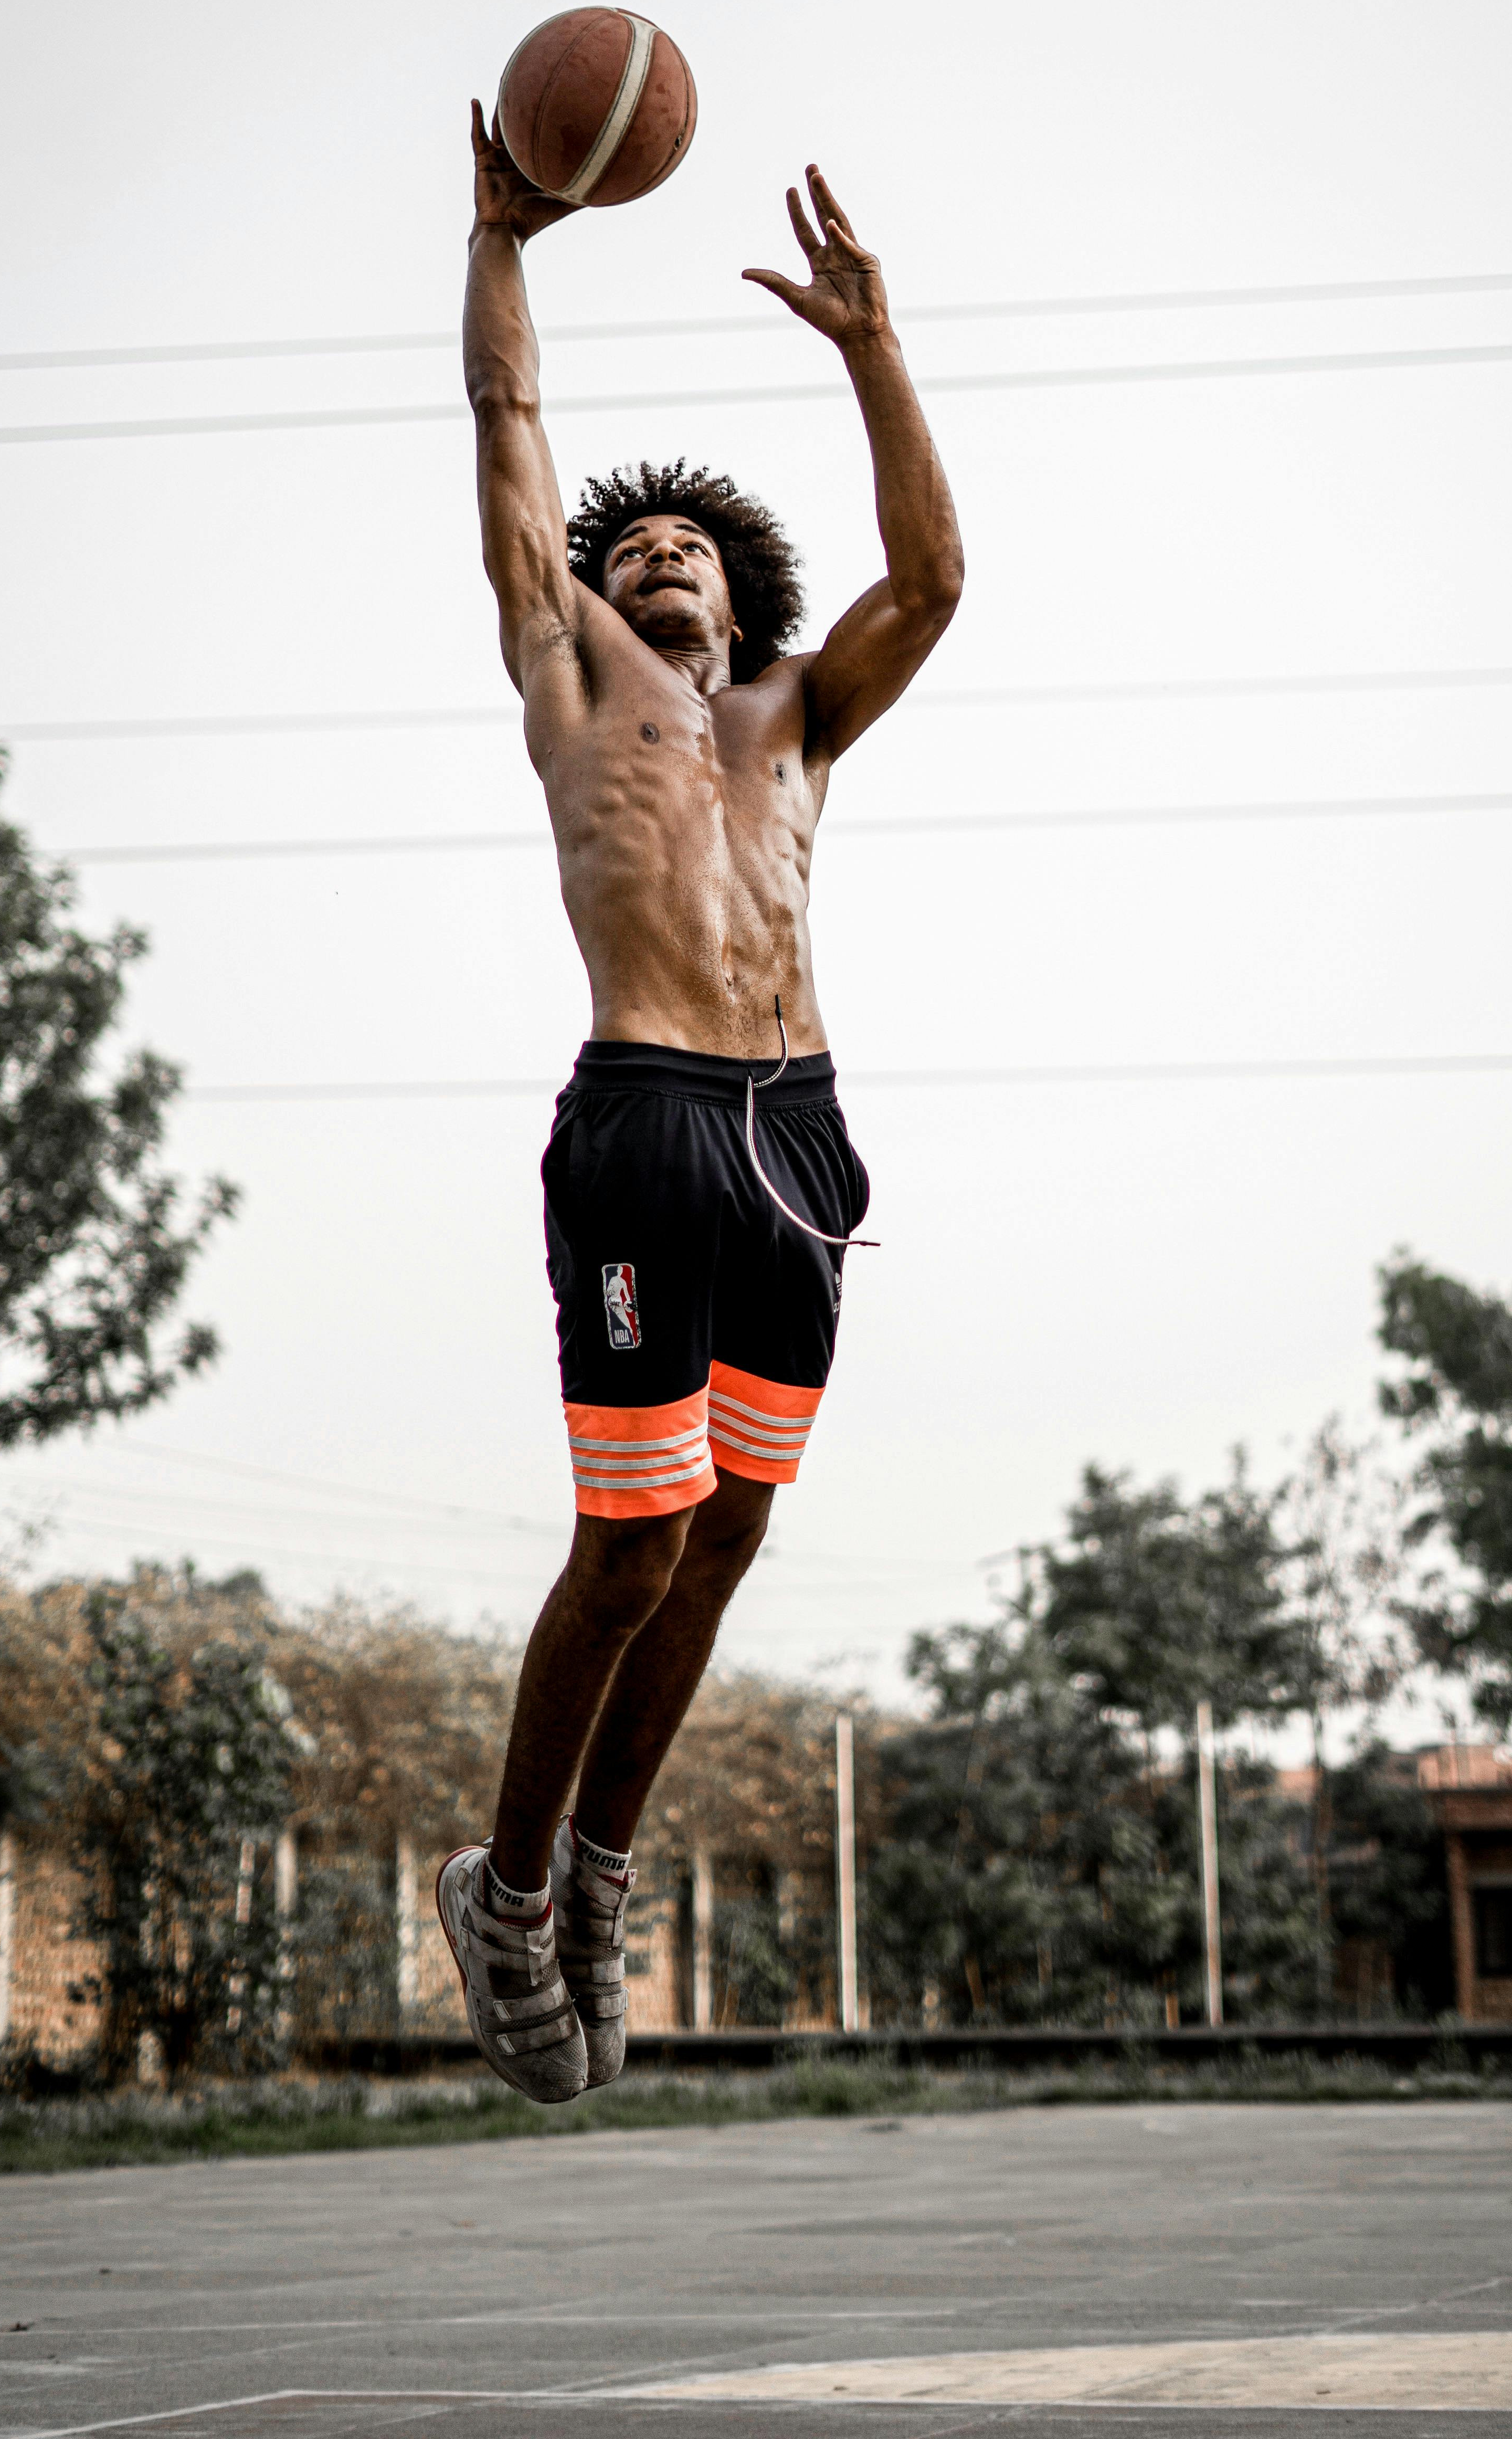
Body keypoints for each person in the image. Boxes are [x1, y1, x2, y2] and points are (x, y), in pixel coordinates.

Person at [436, 103, 964, 2101]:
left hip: (801, 1139)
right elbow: (508, 443)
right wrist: (504, 240)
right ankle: (499, 1886)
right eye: (628, 546)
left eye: (686, 549)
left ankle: (592, 1869)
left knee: (727, 1545)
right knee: (632, 1548)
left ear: (737, 597)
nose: (651, 556)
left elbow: (938, 570)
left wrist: (871, 349)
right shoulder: (575, 680)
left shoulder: (803, 711)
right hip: (649, 1114)